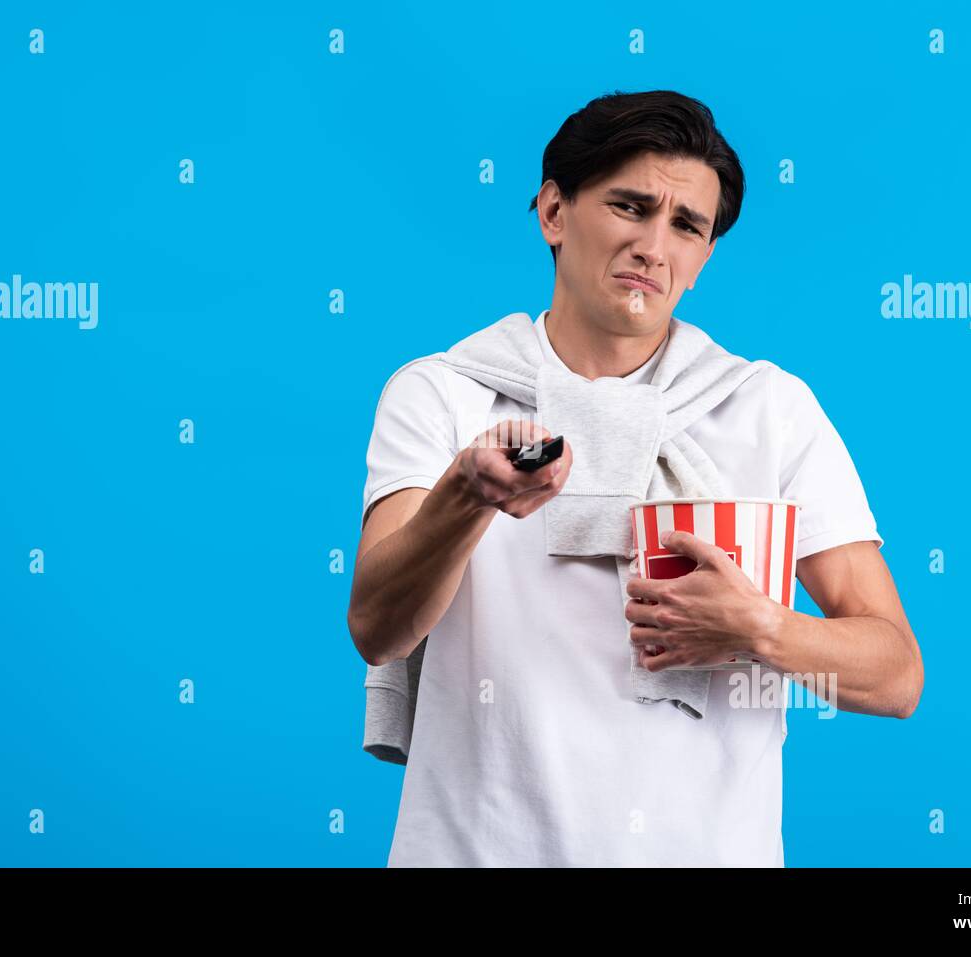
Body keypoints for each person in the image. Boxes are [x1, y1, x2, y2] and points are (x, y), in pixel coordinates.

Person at [347, 90, 923, 867]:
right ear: (554, 212)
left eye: (687, 225)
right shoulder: (444, 395)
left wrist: (760, 627)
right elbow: (375, 626)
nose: (655, 245)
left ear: (704, 256)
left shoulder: (771, 411)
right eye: (630, 206)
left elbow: (895, 674)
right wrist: (466, 497)